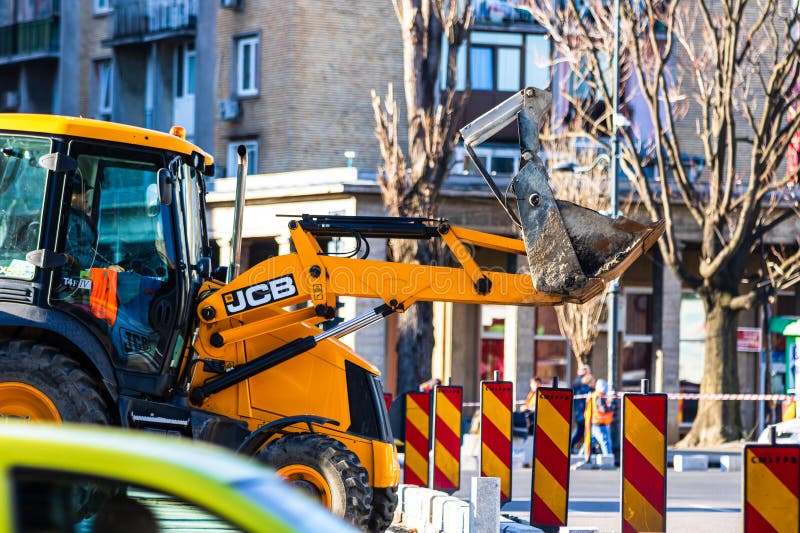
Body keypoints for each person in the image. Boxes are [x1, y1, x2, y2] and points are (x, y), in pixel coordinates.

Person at [585, 378, 614, 458]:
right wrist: (611, 407)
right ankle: (608, 459)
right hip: (600, 425)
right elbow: (603, 409)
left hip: (594, 423)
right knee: (605, 443)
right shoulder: (599, 396)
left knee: (589, 443)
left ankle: (582, 456)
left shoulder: (594, 395)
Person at [570, 365, 593, 452]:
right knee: (582, 430)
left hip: (581, 410)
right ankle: (572, 447)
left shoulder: (578, 381)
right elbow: (585, 392)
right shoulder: (580, 382)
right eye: (588, 371)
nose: (589, 373)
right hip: (582, 410)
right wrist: (592, 389)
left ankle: (574, 447)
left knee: (581, 430)